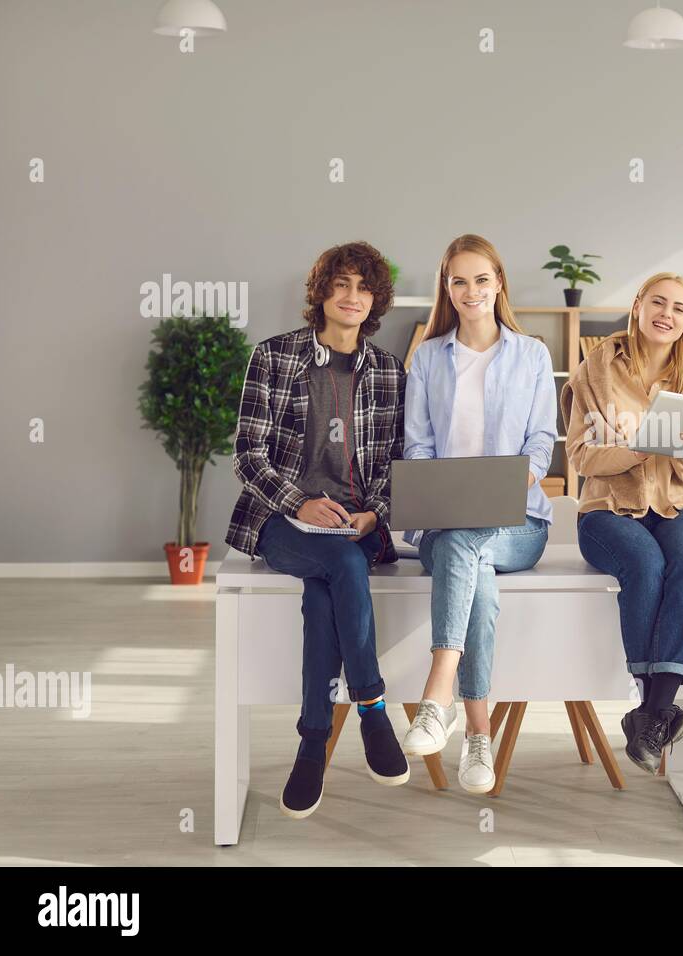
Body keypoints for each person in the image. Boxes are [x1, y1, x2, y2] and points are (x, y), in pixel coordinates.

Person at [227, 240, 409, 819]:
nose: (353, 297)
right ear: (321, 292)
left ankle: (311, 747)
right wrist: (300, 503)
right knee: (341, 566)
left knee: (327, 585)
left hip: (358, 523)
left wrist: (374, 511)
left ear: (376, 300)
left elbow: (396, 462)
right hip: (282, 520)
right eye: (342, 284)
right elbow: (247, 455)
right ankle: (372, 709)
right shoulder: (275, 357)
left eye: (364, 288)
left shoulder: (387, 369)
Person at [399, 234, 554, 794]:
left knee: (470, 545)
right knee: (472, 563)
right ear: (447, 287)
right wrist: (447, 494)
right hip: (444, 526)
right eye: (459, 281)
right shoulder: (428, 357)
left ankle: (439, 689)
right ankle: (478, 736)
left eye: (481, 279)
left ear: (499, 284)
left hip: (519, 524)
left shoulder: (532, 353)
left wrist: (520, 479)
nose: (471, 291)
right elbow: (416, 446)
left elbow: (542, 439)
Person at [562, 272, 683, 773]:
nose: (667, 314)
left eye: (680, 309)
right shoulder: (595, 369)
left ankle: (652, 713)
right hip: (607, 510)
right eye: (658, 302)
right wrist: (636, 448)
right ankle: (654, 705)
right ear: (637, 306)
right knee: (645, 561)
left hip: (677, 504)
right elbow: (581, 457)